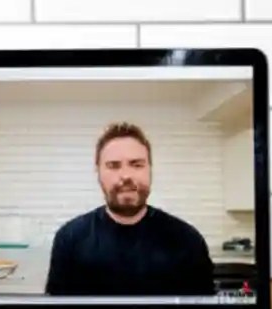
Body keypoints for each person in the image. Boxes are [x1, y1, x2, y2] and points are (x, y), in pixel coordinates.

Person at [45, 122, 215, 296]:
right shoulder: (70, 239)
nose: (126, 175)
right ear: (98, 172)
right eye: (113, 165)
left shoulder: (187, 240)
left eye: (136, 164)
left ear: (150, 169)